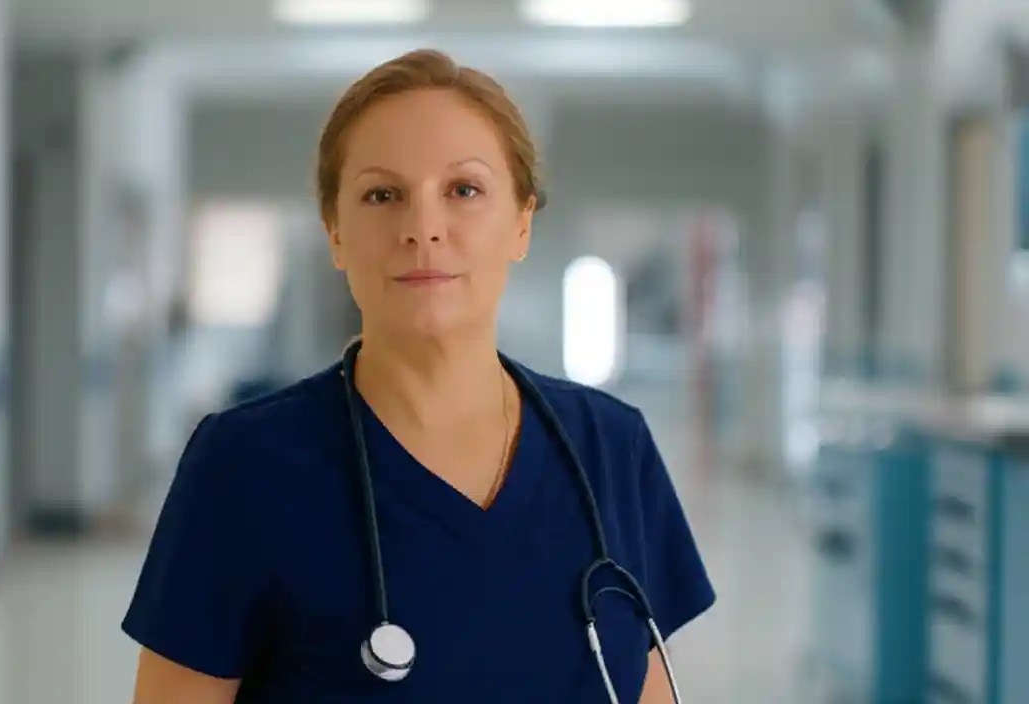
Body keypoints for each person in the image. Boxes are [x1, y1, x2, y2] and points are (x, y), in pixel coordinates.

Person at [123, 48, 715, 703]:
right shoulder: (246, 464)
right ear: (336, 232)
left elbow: (647, 687)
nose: (422, 227)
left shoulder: (611, 448)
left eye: (464, 190)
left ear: (521, 221)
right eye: (383, 195)